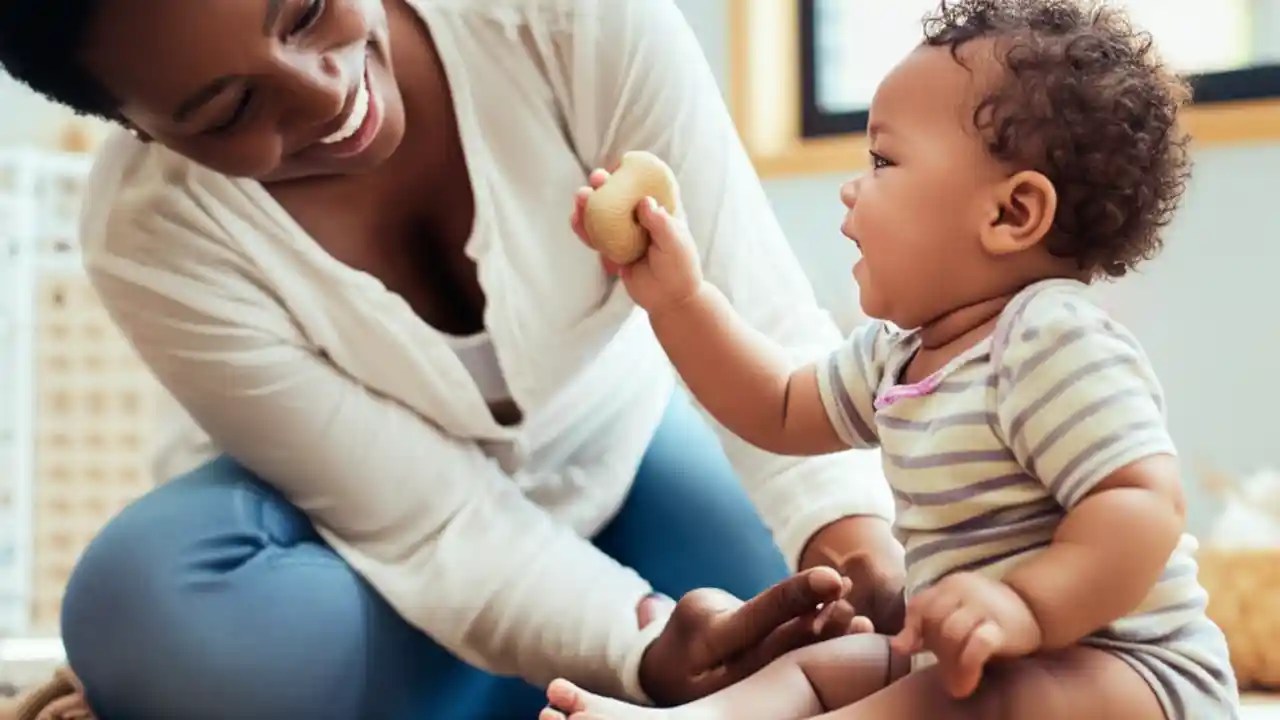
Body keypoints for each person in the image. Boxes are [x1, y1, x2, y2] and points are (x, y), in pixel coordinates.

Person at [0, 1, 908, 718]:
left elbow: (757, 312)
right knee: (151, 619)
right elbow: (426, 521)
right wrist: (642, 652)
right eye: (232, 107)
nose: (323, 94)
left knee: (815, 617)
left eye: (310, 7)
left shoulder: (574, 22)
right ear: (143, 129)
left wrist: (846, 527)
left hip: (623, 452)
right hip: (354, 542)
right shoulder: (148, 232)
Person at [542, 1, 1242, 718]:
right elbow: (777, 404)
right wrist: (679, 300)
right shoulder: (897, 358)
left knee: (980, 694)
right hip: (970, 658)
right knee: (829, 668)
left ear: (1010, 214)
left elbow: (1142, 504)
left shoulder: (1050, 340)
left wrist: (1024, 608)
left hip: (1132, 675)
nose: (852, 187)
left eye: (881, 160)